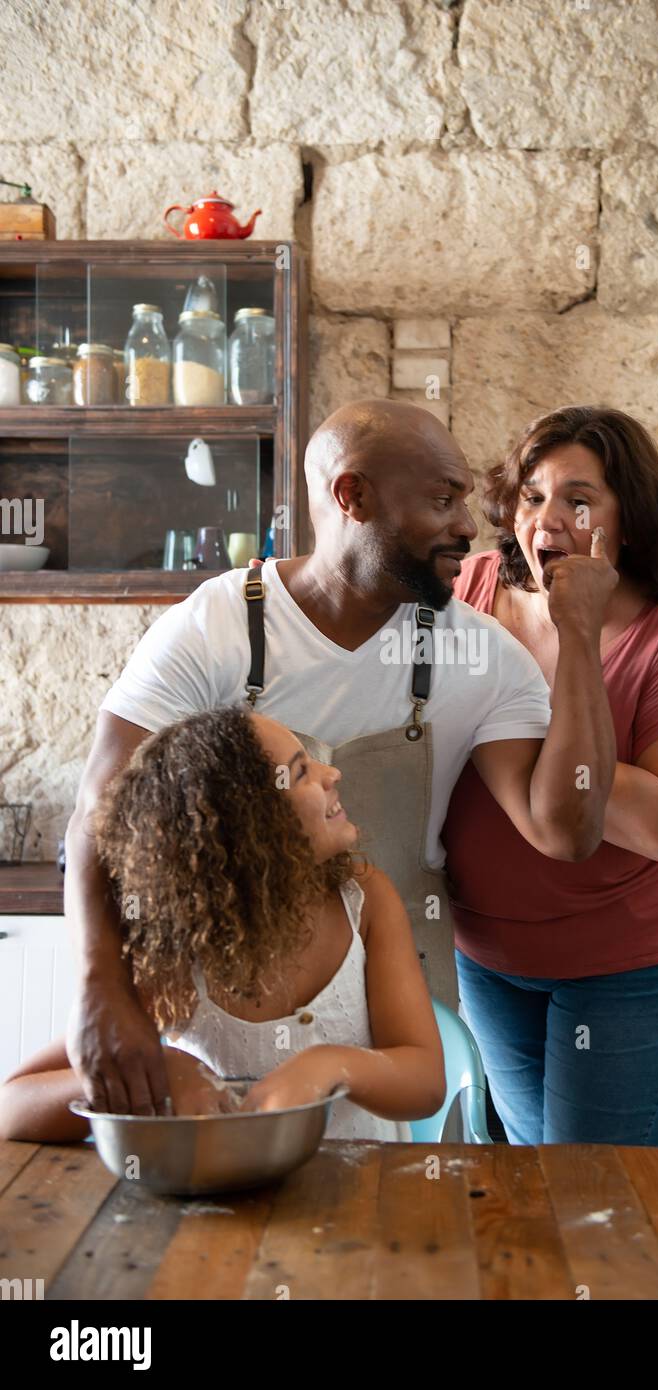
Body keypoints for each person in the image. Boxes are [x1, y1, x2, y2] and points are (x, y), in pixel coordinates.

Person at [63, 398, 618, 1118]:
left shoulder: (479, 654)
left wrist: (579, 637)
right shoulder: (216, 628)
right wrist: (97, 984)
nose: (467, 525)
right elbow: (99, 817)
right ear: (350, 495)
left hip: (401, 1035)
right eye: (442, 498)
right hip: (222, 1003)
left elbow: (566, 831)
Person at [441, 405, 658, 1145]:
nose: (547, 521)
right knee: (532, 1183)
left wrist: (522, 716)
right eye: (531, 496)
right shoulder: (468, 591)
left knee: (589, 1196)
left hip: (635, 964)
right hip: (489, 958)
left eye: (578, 500)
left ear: (626, 521)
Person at [0, 706, 447, 1142]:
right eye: (301, 772)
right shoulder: (179, 949)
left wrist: (329, 1066)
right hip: (221, 1200)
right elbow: (12, 1107)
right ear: (247, 829)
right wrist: (162, 1073)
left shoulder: (363, 901)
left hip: (366, 1192)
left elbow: (425, 1084)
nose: (332, 775)